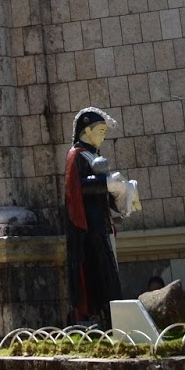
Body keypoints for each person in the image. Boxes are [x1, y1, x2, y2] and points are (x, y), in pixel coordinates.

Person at [64, 106, 123, 328]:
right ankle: (96, 316)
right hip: (87, 229)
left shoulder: (92, 155)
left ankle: (111, 317)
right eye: (100, 130)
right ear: (86, 130)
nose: (103, 136)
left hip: (100, 225)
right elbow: (75, 188)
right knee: (97, 273)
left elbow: (100, 193)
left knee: (107, 272)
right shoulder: (76, 155)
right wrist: (106, 183)